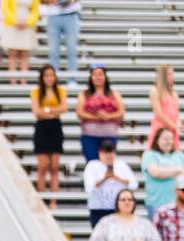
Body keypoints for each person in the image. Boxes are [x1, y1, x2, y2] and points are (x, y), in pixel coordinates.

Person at [31, 65, 68, 205]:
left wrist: (46, 110)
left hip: (55, 128)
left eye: (51, 75)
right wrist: (53, 111)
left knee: (54, 166)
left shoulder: (60, 91)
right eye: (46, 75)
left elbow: (64, 108)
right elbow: (36, 111)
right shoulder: (36, 91)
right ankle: (41, 200)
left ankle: (53, 200)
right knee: (42, 166)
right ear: (42, 77)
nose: (49, 78)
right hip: (42, 128)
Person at [83, 138, 138, 227]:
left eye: (111, 152)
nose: (108, 156)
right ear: (100, 153)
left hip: (118, 209)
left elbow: (134, 185)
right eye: (106, 153)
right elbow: (89, 188)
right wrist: (104, 178)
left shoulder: (121, 165)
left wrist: (118, 178)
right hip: (98, 209)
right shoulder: (92, 165)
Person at [76, 64, 124, 162]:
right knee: (92, 163)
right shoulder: (84, 94)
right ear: (91, 77)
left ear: (105, 77)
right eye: (95, 75)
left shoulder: (114, 94)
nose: (98, 77)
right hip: (90, 135)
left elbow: (121, 112)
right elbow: (79, 112)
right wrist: (96, 117)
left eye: (100, 74)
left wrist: (108, 116)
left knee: (107, 163)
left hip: (109, 134)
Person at [142, 127, 184, 212]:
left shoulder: (179, 155)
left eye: (171, 139)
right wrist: (178, 171)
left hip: (178, 205)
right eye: (166, 139)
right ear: (157, 140)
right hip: (156, 204)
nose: (169, 142)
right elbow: (156, 173)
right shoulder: (149, 154)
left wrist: (166, 172)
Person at [40, 1, 80, 83]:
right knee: (53, 51)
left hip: (70, 14)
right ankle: (53, 81)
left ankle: (72, 80)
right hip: (53, 15)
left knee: (72, 50)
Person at [0, 0, 38, 84]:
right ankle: (13, 81)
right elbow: (6, 8)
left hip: (27, 26)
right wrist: (14, 22)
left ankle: (23, 81)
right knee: (12, 54)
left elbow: (35, 10)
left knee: (25, 54)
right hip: (12, 25)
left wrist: (28, 23)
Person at [147, 64, 181, 150]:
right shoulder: (155, 91)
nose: (172, 76)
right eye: (169, 74)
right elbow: (159, 113)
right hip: (160, 130)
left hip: (172, 130)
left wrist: (178, 124)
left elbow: (177, 113)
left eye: (172, 74)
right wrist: (173, 126)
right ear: (162, 76)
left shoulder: (174, 94)